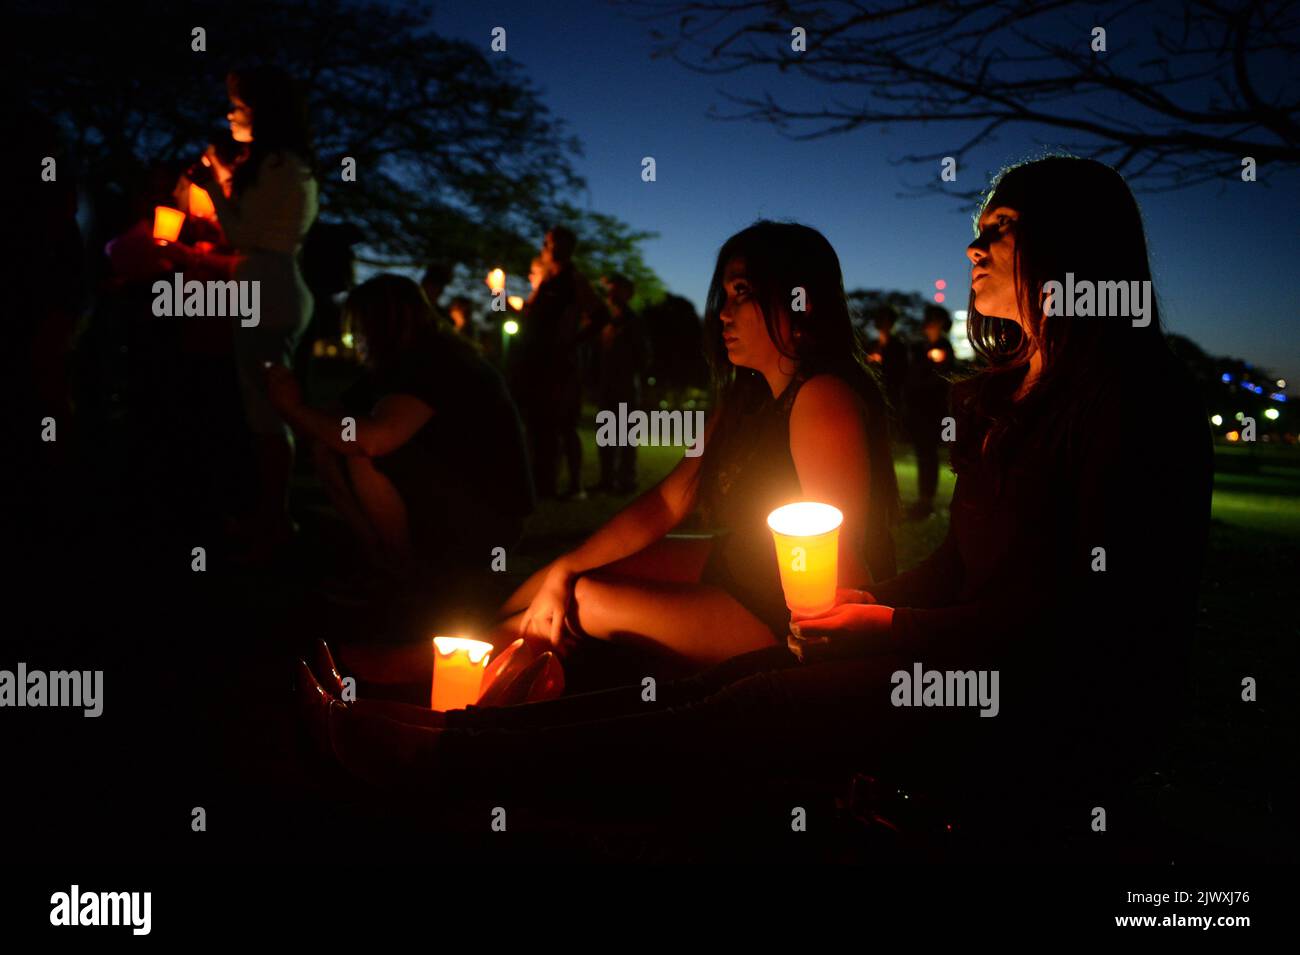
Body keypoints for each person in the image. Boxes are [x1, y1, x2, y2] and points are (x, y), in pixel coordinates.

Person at [296, 159, 1211, 849]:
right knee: (696, 670)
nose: (975, 245)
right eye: (978, 227)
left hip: (1050, 702)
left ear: (1074, 247)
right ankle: (441, 722)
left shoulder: (1136, 400)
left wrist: (887, 623)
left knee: (750, 704)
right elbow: (960, 566)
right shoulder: (1014, 397)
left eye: (1002, 228)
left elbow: (1086, 618)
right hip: (952, 655)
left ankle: (444, 755)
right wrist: (887, 613)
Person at [267, 275, 534, 591]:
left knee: (363, 455)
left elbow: (375, 440)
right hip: (453, 494)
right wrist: (293, 405)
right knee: (329, 446)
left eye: (358, 326)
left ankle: (404, 572)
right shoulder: (391, 367)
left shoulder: (438, 361)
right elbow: (329, 424)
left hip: (489, 513)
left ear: (381, 325)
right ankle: (381, 558)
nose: (354, 338)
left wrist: (295, 409)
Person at [177, 65, 319, 562]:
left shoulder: (279, 163)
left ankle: (276, 520)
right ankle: (271, 513)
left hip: (271, 293)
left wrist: (215, 183)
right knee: (265, 408)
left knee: (268, 412)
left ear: (261, 111)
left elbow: (243, 232)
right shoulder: (280, 164)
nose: (229, 113)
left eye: (237, 106)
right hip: (269, 288)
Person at [592, 273, 650, 494]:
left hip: (625, 387)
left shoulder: (633, 322)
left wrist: (627, 370)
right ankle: (607, 479)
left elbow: (643, 356)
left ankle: (626, 481)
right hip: (607, 386)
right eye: (609, 290)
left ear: (627, 294)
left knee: (625, 438)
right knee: (605, 436)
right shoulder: (605, 321)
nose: (611, 294)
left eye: (616, 290)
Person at [901, 305, 955, 519]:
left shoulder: (943, 347)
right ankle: (923, 500)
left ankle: (926, 501)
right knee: (923, 455)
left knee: (928, 455)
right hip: (919, 408)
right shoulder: (922, 348)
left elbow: (939, 377)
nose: (930, 325)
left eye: (934, 321)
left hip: (932, 409)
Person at [866, 304, 908, 424]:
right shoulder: (872, 344)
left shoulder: (898, 346)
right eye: (879, 318)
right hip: (873, 391)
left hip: (892, 392)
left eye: (884, 319)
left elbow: (901, 369)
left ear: (891, 322)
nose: (880, 322)